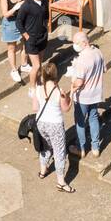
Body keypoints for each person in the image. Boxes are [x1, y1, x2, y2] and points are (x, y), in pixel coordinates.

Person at [35, 61, 74, 193]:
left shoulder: (38, 88)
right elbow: (66, 109)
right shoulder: (59, 91)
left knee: (46, 146)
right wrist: (72, 94)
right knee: (59, 152)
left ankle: (42, 171)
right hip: (55, 124)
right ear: (55, 74)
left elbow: (35, 107)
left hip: (41, 123)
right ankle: (61, 182)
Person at [68, 29, 106, 159]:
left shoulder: (82, 60)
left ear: (84, 43)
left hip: (82, 96)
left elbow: (79, 82)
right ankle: (95, 147)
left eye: (76, 43)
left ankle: (80, 148)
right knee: (94, 118)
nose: (74, 45)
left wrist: (72, 88)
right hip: (95, 94)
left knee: (80, 122)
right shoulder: (98, 53)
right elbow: (103, 70)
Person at [16, 0, 50, 95]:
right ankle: (32, 88)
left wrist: (46, 26)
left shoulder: (45, 1)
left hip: (42, 37)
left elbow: (46, 15)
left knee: (40, 63)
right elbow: (18, 22)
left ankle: (39, 82)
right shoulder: (27, 5)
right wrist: (27, 36)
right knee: (35, 66)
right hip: (32, 39)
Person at [0, 0, 28, 83]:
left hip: (23, 21)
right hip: (11, 24)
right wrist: (16, 7)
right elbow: (5, 14)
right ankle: (14, 70)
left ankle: (24, 64)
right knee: (12, 48)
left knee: (25, 44)